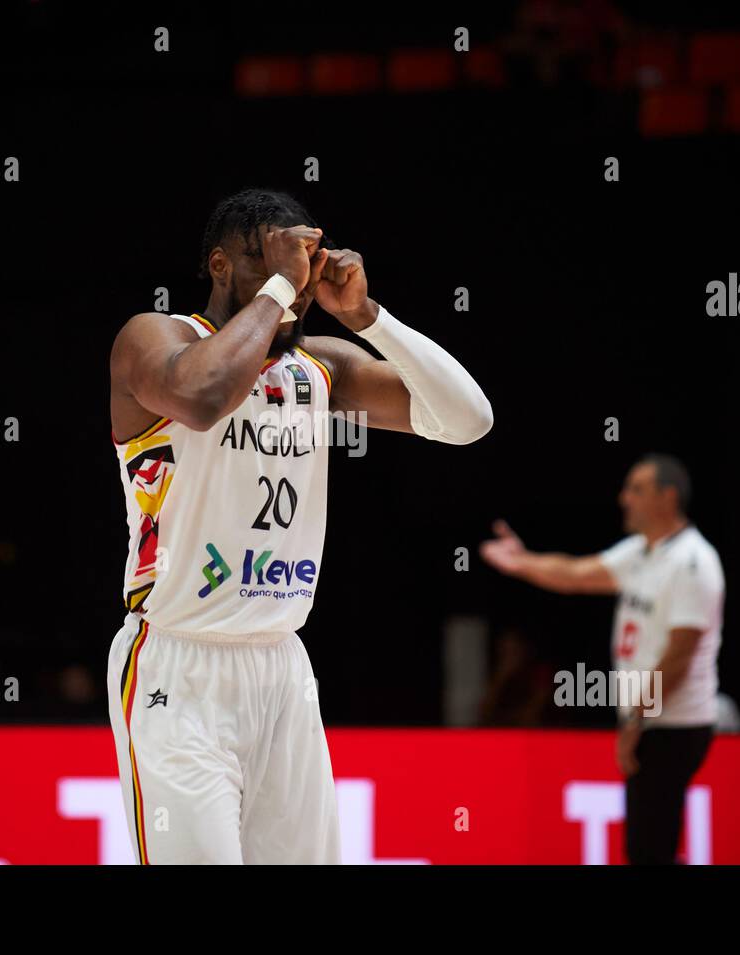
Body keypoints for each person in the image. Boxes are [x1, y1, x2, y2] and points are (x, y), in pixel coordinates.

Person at [106, 188, 493, 864]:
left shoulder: (316, 368)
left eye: (306, 262)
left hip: (282, 666)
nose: (299, 284)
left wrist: (369, 318)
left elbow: (468, 420)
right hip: (177, 664)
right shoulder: (156, 338)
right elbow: (201, 397)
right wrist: (282, 286)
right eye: (277, 262)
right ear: (220, 265)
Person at [481, 454, 724, 864]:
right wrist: (522, 562)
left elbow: (679, 657)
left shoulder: (694, 563)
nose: (623, 497)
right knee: (650, 843)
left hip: (674, 725)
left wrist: (636, 721)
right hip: (653, 720)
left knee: (649, 847)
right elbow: (576, 574)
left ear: (669, 497)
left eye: (637, 489)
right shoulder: (642, 552)